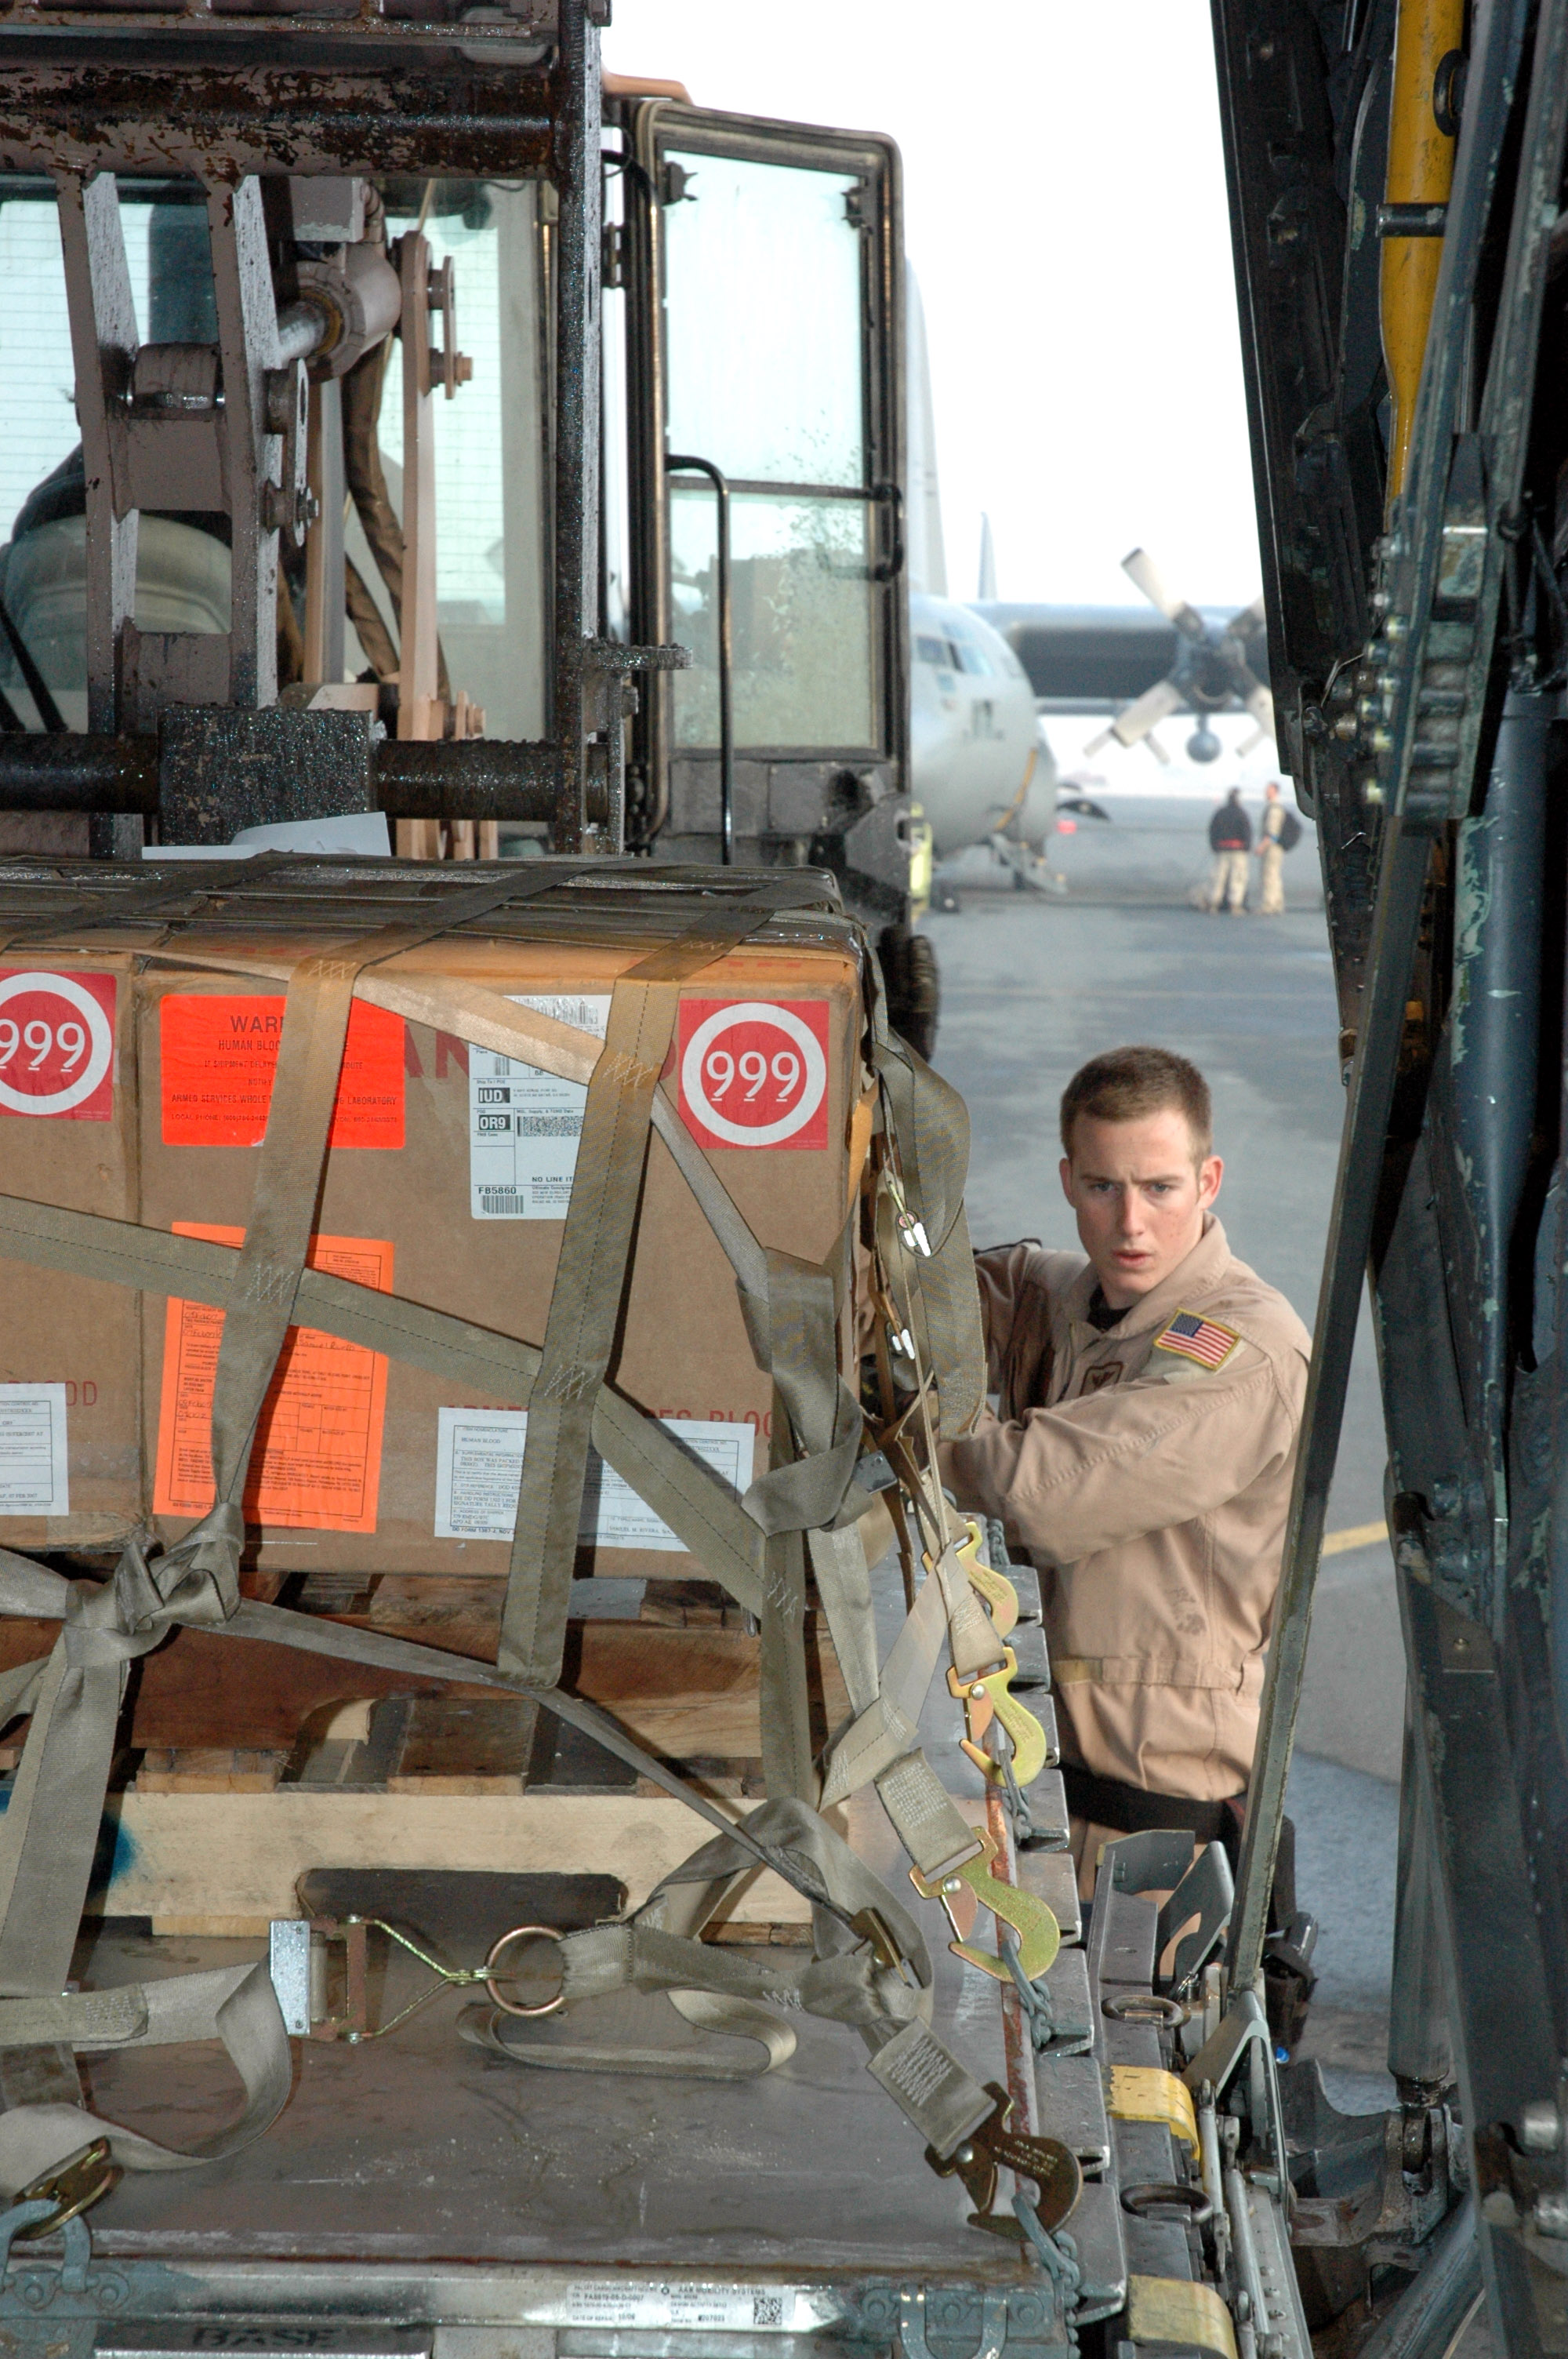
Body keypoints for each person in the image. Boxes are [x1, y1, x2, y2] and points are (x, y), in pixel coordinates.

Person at [938, 1045, 1311, 1921]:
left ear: (1208, 1179)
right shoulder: (1070, 1300)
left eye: (1159, 1187)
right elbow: (935, 1295)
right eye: (1103, 1187)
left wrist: (903, 1428)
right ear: (1068, 1180)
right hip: (1048, 1787)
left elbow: (1041, 1487)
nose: (1129, 1222)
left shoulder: (1242, 1349)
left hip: (1148, 1837)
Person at [1207, 787, 1251, 912]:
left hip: (1222, 849)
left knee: (1218, 878)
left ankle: (1214, 904)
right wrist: (1246, 847)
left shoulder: (1220, 813)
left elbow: (1213, 831)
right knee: (1237, 879)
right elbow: (1247, 833)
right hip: (1238, 851)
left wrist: (1214, 846)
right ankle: (1235, 905)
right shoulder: (1242, 814)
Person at [1256, 781, 1287, 916]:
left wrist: (1262, 846)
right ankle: (1277, 904)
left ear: (1275, 791)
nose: (1266, 792)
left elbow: (1272, 833)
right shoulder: (1277, 807)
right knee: (1274, 875)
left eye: (1268, 789)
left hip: (1272, 848)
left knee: (1269, 875)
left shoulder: (1274, 808)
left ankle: (1269, 905)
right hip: (1276, 847)